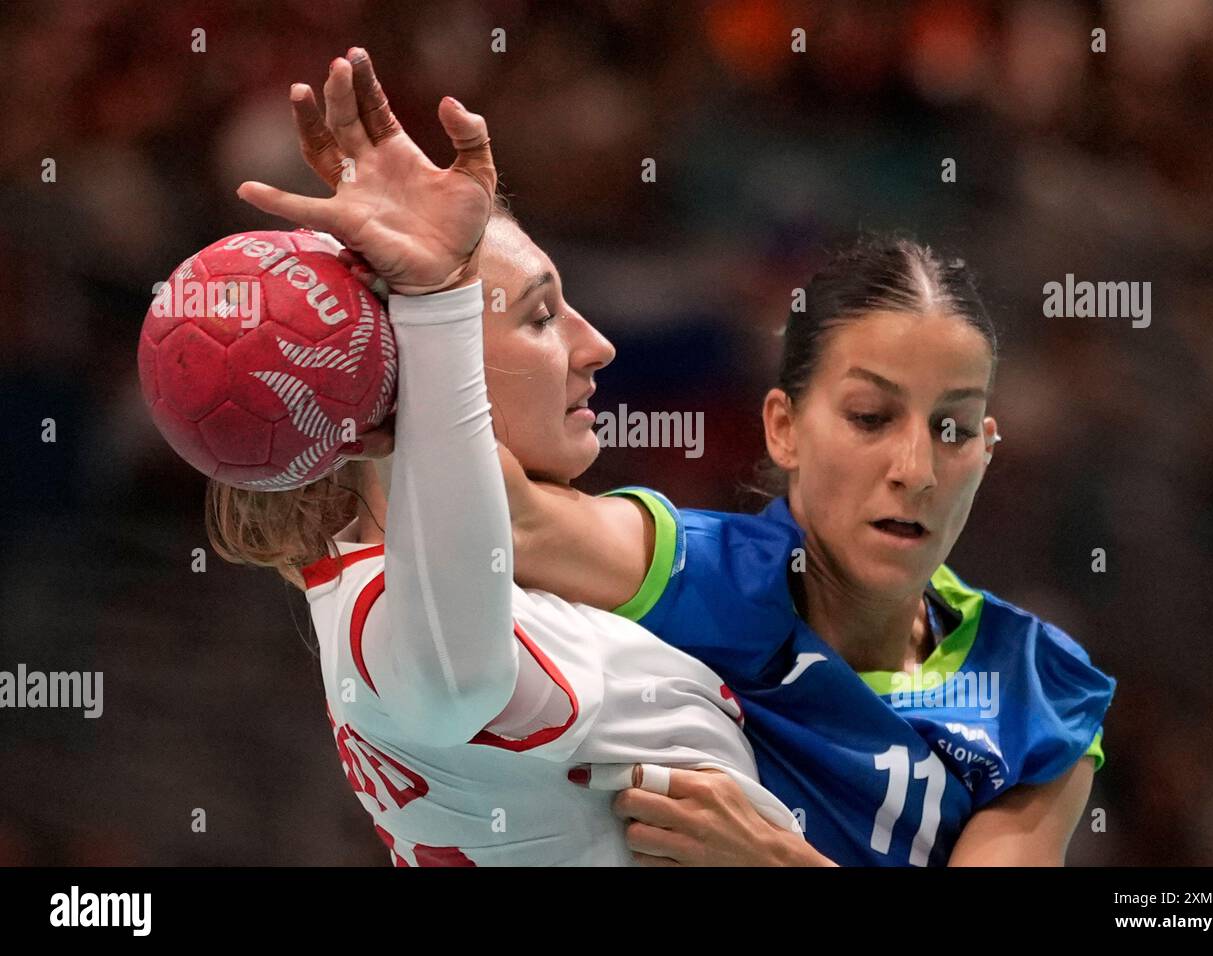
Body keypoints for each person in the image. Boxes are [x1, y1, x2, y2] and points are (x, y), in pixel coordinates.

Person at [283, 51, 1114, 866]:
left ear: (988, 449)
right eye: (869, 416)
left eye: (954, 429)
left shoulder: (1036, 688)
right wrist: (410, 303)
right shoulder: (698, 574)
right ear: (782, 427)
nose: (915, 469)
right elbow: (476, 510)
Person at [213, 48, 823, 867]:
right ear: (418, 369)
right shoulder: (388, 628)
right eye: (541, 318)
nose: (597, 345)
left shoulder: (424, 594)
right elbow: (453, 682)